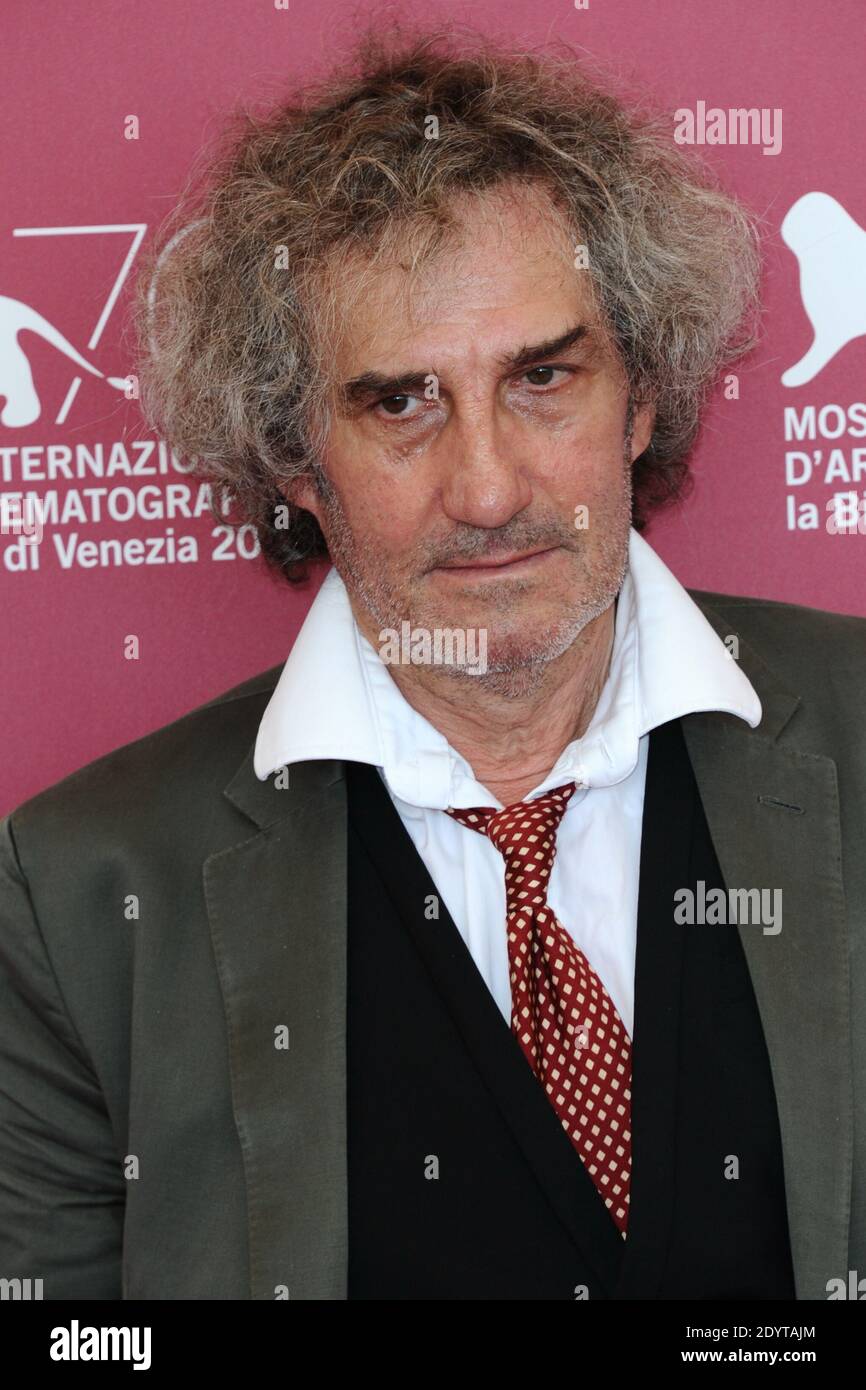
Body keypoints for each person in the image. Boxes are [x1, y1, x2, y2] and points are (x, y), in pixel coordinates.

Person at [1, 28, 864, 1302]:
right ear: (295, 456)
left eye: (542, 377)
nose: (485, 486)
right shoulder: (84, 897)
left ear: (638, 399)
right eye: (398, 402)